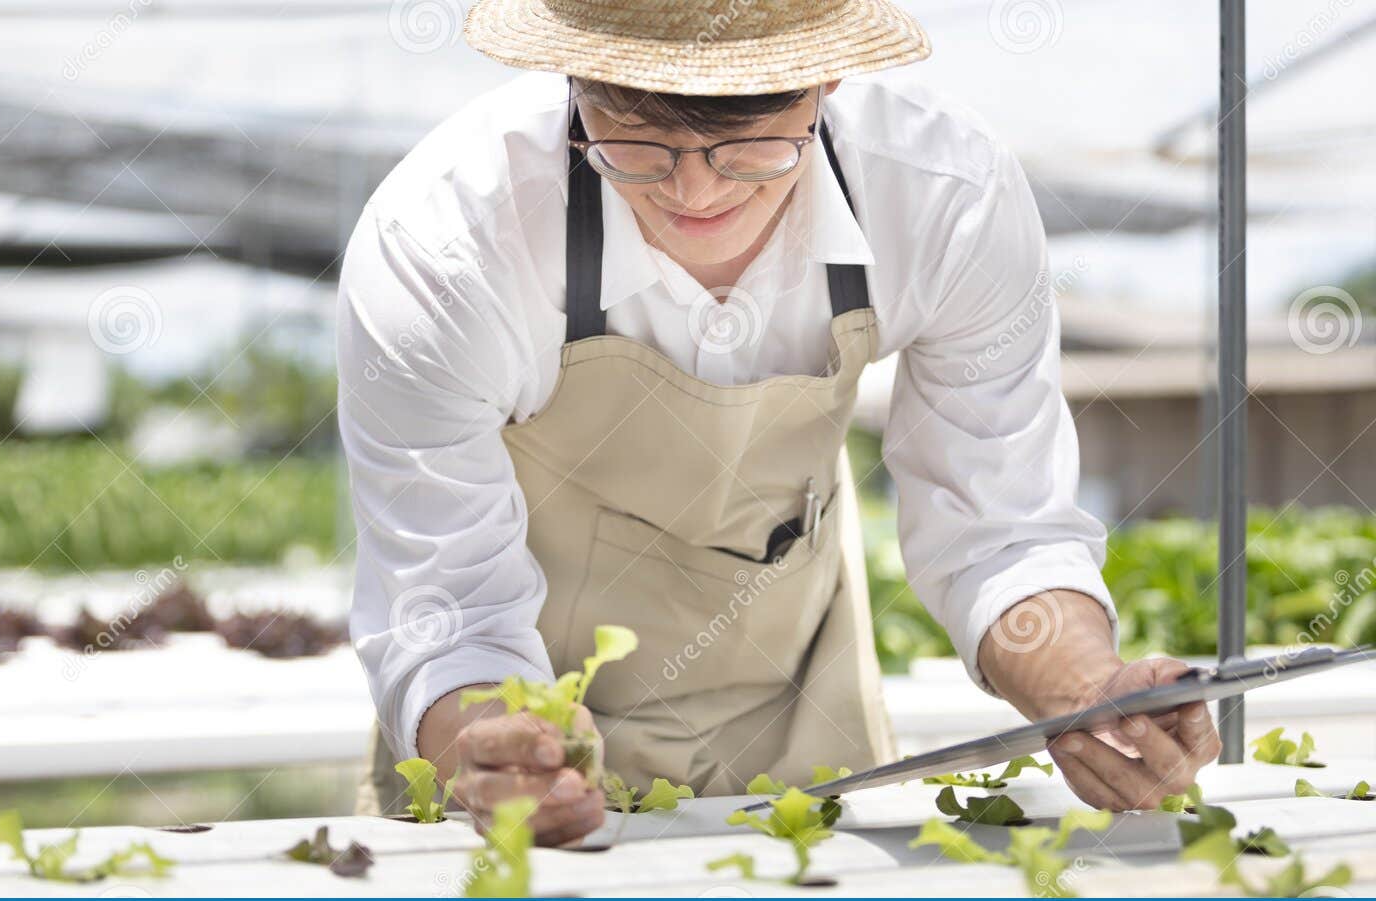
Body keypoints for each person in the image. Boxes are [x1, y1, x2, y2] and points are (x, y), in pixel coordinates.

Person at [336, 0, 1220, 845]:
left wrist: (1085, 691)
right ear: (572, 77)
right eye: (636, 138)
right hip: (508, 724)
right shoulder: (445, 248)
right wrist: (502, 750)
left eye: (745, 141)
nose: (692, 190)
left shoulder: (945, 196)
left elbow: (1000, 531)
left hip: (802, 719)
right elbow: (451, 615)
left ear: (828, 76)